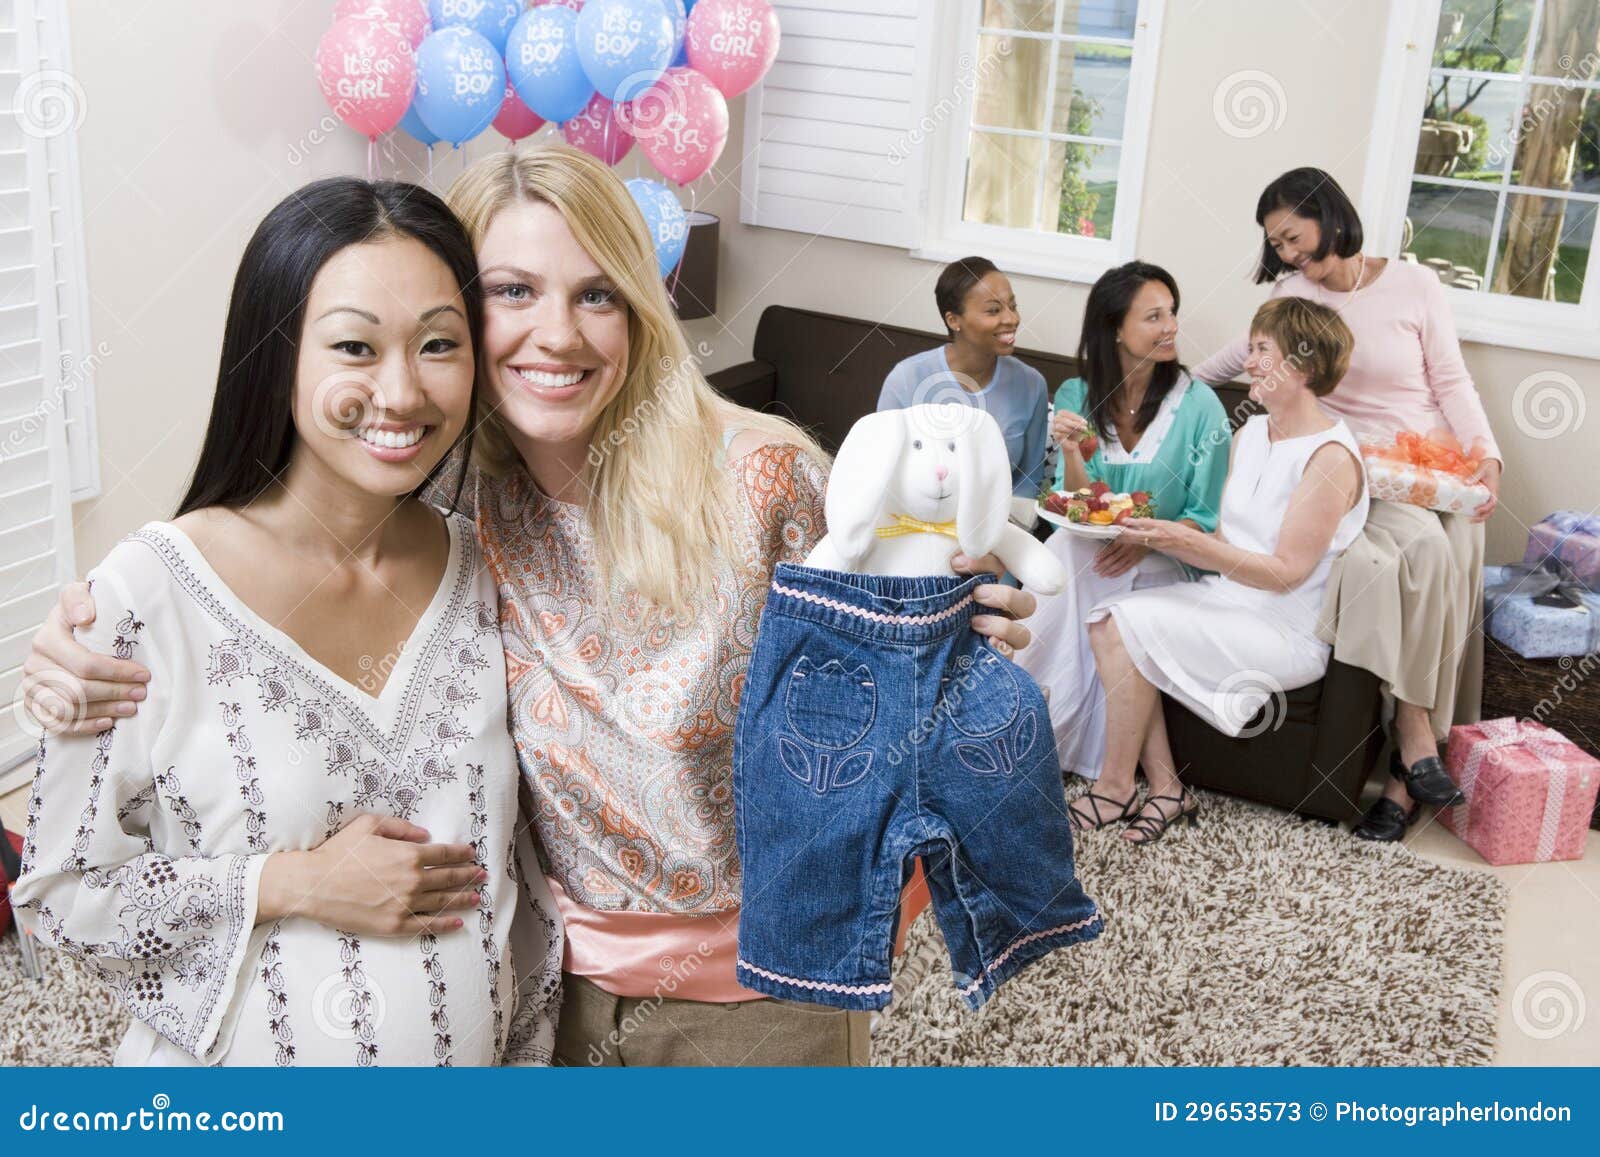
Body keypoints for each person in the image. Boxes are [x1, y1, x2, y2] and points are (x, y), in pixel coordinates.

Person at [24, 146, 1040, 1067]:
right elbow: (240, 578)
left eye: (596, 293)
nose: (556, 333)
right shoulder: (460, 501)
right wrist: (67, 656)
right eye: (512, 290)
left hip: (751, 999)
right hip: (545, 1001)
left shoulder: (759, 480)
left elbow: (902, 681)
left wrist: (968, 646)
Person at [13, 178, 562, 1066]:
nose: (401, 390)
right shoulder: (146, 596)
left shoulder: (487, 566)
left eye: (438, 345)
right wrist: (290, 881)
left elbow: (519, 873)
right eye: (354, 345)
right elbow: (59, 892)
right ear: (278, 357)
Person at [1192, 167, 1491, 840]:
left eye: (1295, 237)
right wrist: (1162, 392)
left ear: (1329, 216)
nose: (1292, 255)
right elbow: (1236, 358)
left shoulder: (1416, 285)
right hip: (1340, 469)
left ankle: (1406, 758)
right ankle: (1412, 747)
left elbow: (1451, 379)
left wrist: (1488, 454)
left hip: (1413, 469)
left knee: (1427, 549)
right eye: (1279, 246)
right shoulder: (1294, 294)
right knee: (1377, 565)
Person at [1077, 298, 1368, 843]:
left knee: (1123, 625)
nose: (1248, 361)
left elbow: (1285, 572)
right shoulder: (1250, 433)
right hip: (1227, 597)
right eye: (1252, 348)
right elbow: (1221, 534)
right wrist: (1149, 531)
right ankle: (1165, 789)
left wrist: (1182, 542)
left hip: (1283, 627)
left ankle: (1116, 787)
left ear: (1301, 367)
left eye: (1263, 351)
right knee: (1108, 618)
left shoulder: (1329, 458)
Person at [1015, 261, 1230, 779]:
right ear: (1115, 328)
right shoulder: (1076, 398)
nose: (1171, 327)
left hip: (1174, 561)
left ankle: (1047, 742)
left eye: (1172, 313)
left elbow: (1206, 518)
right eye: (1153, 316)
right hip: (1093, 550)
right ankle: (1030, 730)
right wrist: (1069, 449)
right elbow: (1080, 503)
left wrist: (1151, 542)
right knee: (1070, 550)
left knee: (1080, 563)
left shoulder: (1201, 407)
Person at [878, 256, 1048, 499]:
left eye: (1013, 306)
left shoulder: (1031, 385)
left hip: (998, 527)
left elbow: (1029, 481)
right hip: (915, 521)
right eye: (994, 310)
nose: (1012, 319)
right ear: (953, 320)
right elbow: (882, 467)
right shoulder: (905, 379)